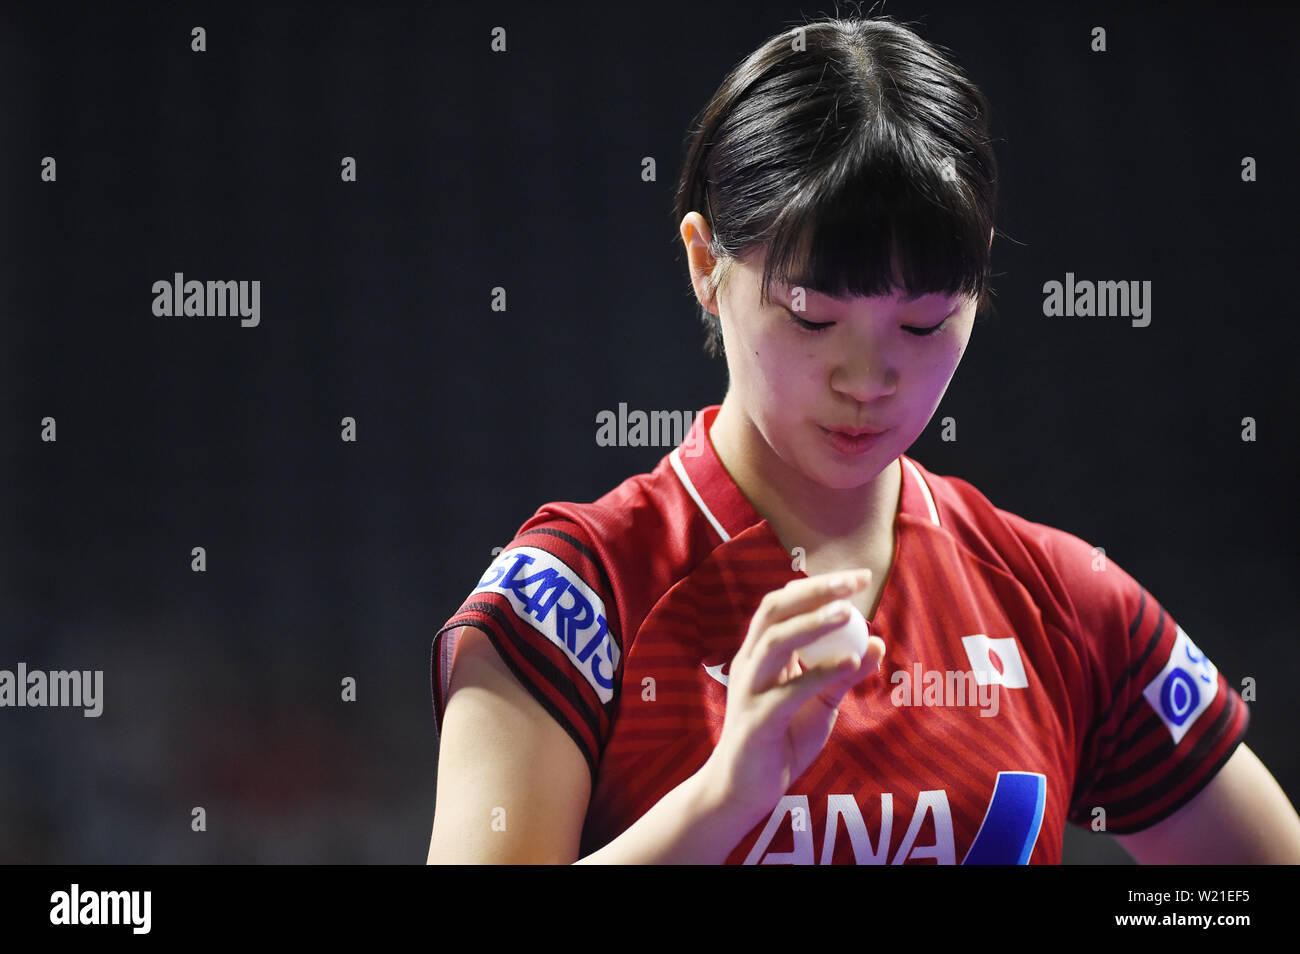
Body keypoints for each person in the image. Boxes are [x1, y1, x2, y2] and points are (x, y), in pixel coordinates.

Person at [426, 15, 1300, 864]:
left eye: (923, 325)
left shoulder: (1063, 601)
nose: (867, 380)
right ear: (704, 263)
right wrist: (722, 798)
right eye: (812, 316)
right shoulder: (571, 602)